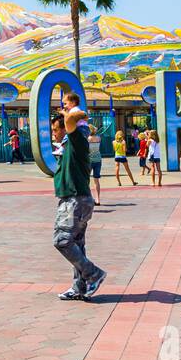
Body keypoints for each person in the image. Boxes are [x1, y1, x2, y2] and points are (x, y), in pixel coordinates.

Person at [55, 93, 105, 301]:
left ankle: (93, 274)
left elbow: (71, 119)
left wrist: (70, 113)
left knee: (62, 240)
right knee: (77, 244)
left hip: (75, 200)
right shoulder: (68, 146)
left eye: (55, 130)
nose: (54, 134)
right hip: (77, 199)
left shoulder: (76, 140)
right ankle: (79, 287)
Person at [88, 123, 104, 206]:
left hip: (89, 160)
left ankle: (89, 198)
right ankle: (98, 199)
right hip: (98, 159)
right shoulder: (98, 138)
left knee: (86, 180)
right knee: (96, 180)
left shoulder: (88, 138)